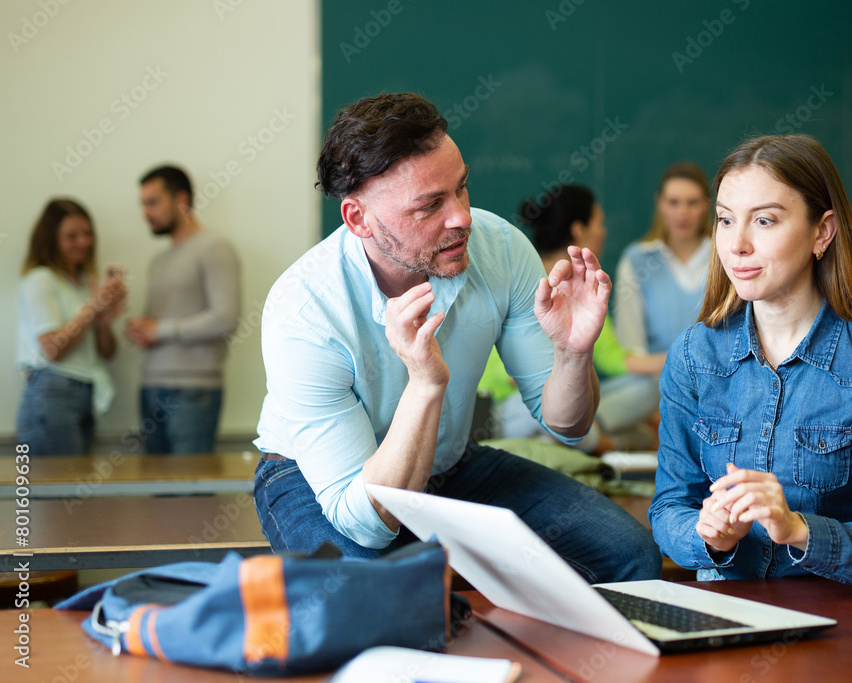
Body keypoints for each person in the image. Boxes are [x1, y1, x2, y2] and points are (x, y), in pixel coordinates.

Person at [253, 93, 661, 584]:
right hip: (322, 481)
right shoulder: (304, 310)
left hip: (448, 462)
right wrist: (424, 383)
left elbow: (568, 427)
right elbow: (368, 522)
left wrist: (573, 355)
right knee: (389, 599)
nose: (462, 217)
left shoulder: (502, 247)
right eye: (429, 206)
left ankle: (545, 659)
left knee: (630, 555)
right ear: (358, 219)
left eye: (461, 188)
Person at [648, 134, 852, 587]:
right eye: (725, 220)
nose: (737, 245)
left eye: (764, 221)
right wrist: (706, 536)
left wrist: (799, 531)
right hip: (726, 616)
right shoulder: (693, 354)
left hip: (838, 627)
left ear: (822, 232)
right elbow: (670, 508)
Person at [479, 184, 664, 453]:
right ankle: (601, 443)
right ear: (579, 230)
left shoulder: (585, 287)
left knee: (648, 387)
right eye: (599, 223)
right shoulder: (519, 280)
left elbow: (612, 358)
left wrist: (676, 359)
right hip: (511, 406)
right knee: (542, 404)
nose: (604, 231)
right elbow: (510, 375)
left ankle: (575, 440)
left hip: (568, 407)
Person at [126, 166, 240, 454]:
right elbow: (159, 326)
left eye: (152, 202)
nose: (145, 212)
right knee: (157, 491)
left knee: (189, 492)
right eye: (143, 204)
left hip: (193, 391)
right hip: (151, 386)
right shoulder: (159, 260)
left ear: (181, 200)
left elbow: (226, 317)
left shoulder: (214, 247)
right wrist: (139, 329)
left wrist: (159, 330)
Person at [16, 199, 127, 455]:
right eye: (71, 236)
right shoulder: (40, 280)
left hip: (81, 393)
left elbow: (108, 353)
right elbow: (53, 349)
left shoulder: (80, 284)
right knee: (59, 490)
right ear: (51, 239)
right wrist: (93, 307)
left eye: (87, 234)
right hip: (53, 393)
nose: (83, 242)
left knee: (74, 490)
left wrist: (103, 323)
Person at [614, 162, 713, 354]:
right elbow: (633, 348)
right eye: (673, 202)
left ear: (705, 205)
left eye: (692, 203)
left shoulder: (726, 256)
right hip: (655, 381)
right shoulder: (636, 260)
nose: (683, 213)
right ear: (660, 203)